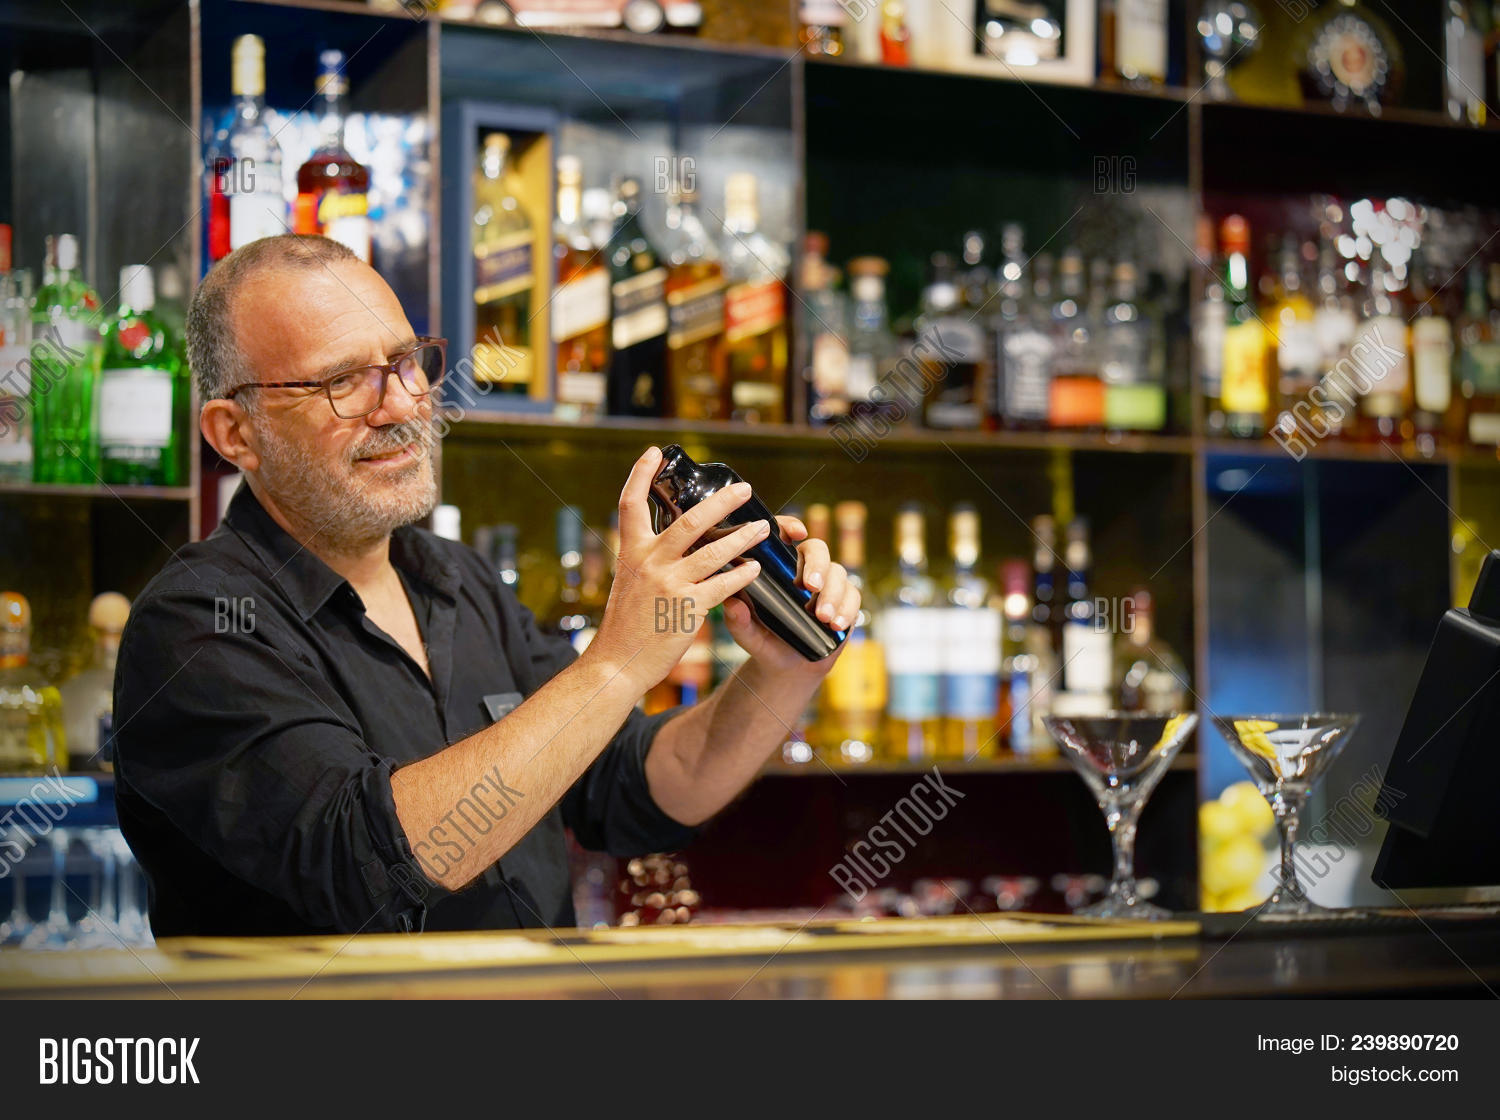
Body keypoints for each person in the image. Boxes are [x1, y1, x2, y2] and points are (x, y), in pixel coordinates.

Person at [113, 234, 858, 936]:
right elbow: (363, 860)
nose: (402, 405)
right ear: (235, 433)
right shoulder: (196, 624)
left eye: (407, 363)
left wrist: (784, 671)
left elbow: (640, 790)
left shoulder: (457, 579)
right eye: (342, 382)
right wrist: (617, 663)